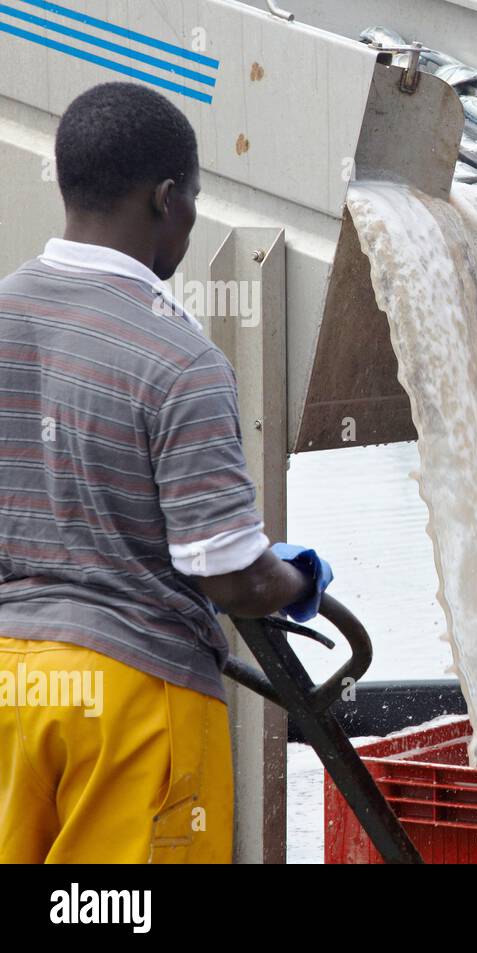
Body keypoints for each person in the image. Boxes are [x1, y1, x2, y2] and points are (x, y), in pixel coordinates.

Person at [0, 82, 333, 862]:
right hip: (131, 704)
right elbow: (228, 575)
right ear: (165, 200)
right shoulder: (180, 358)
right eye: (190, 200)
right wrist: (297, 578)